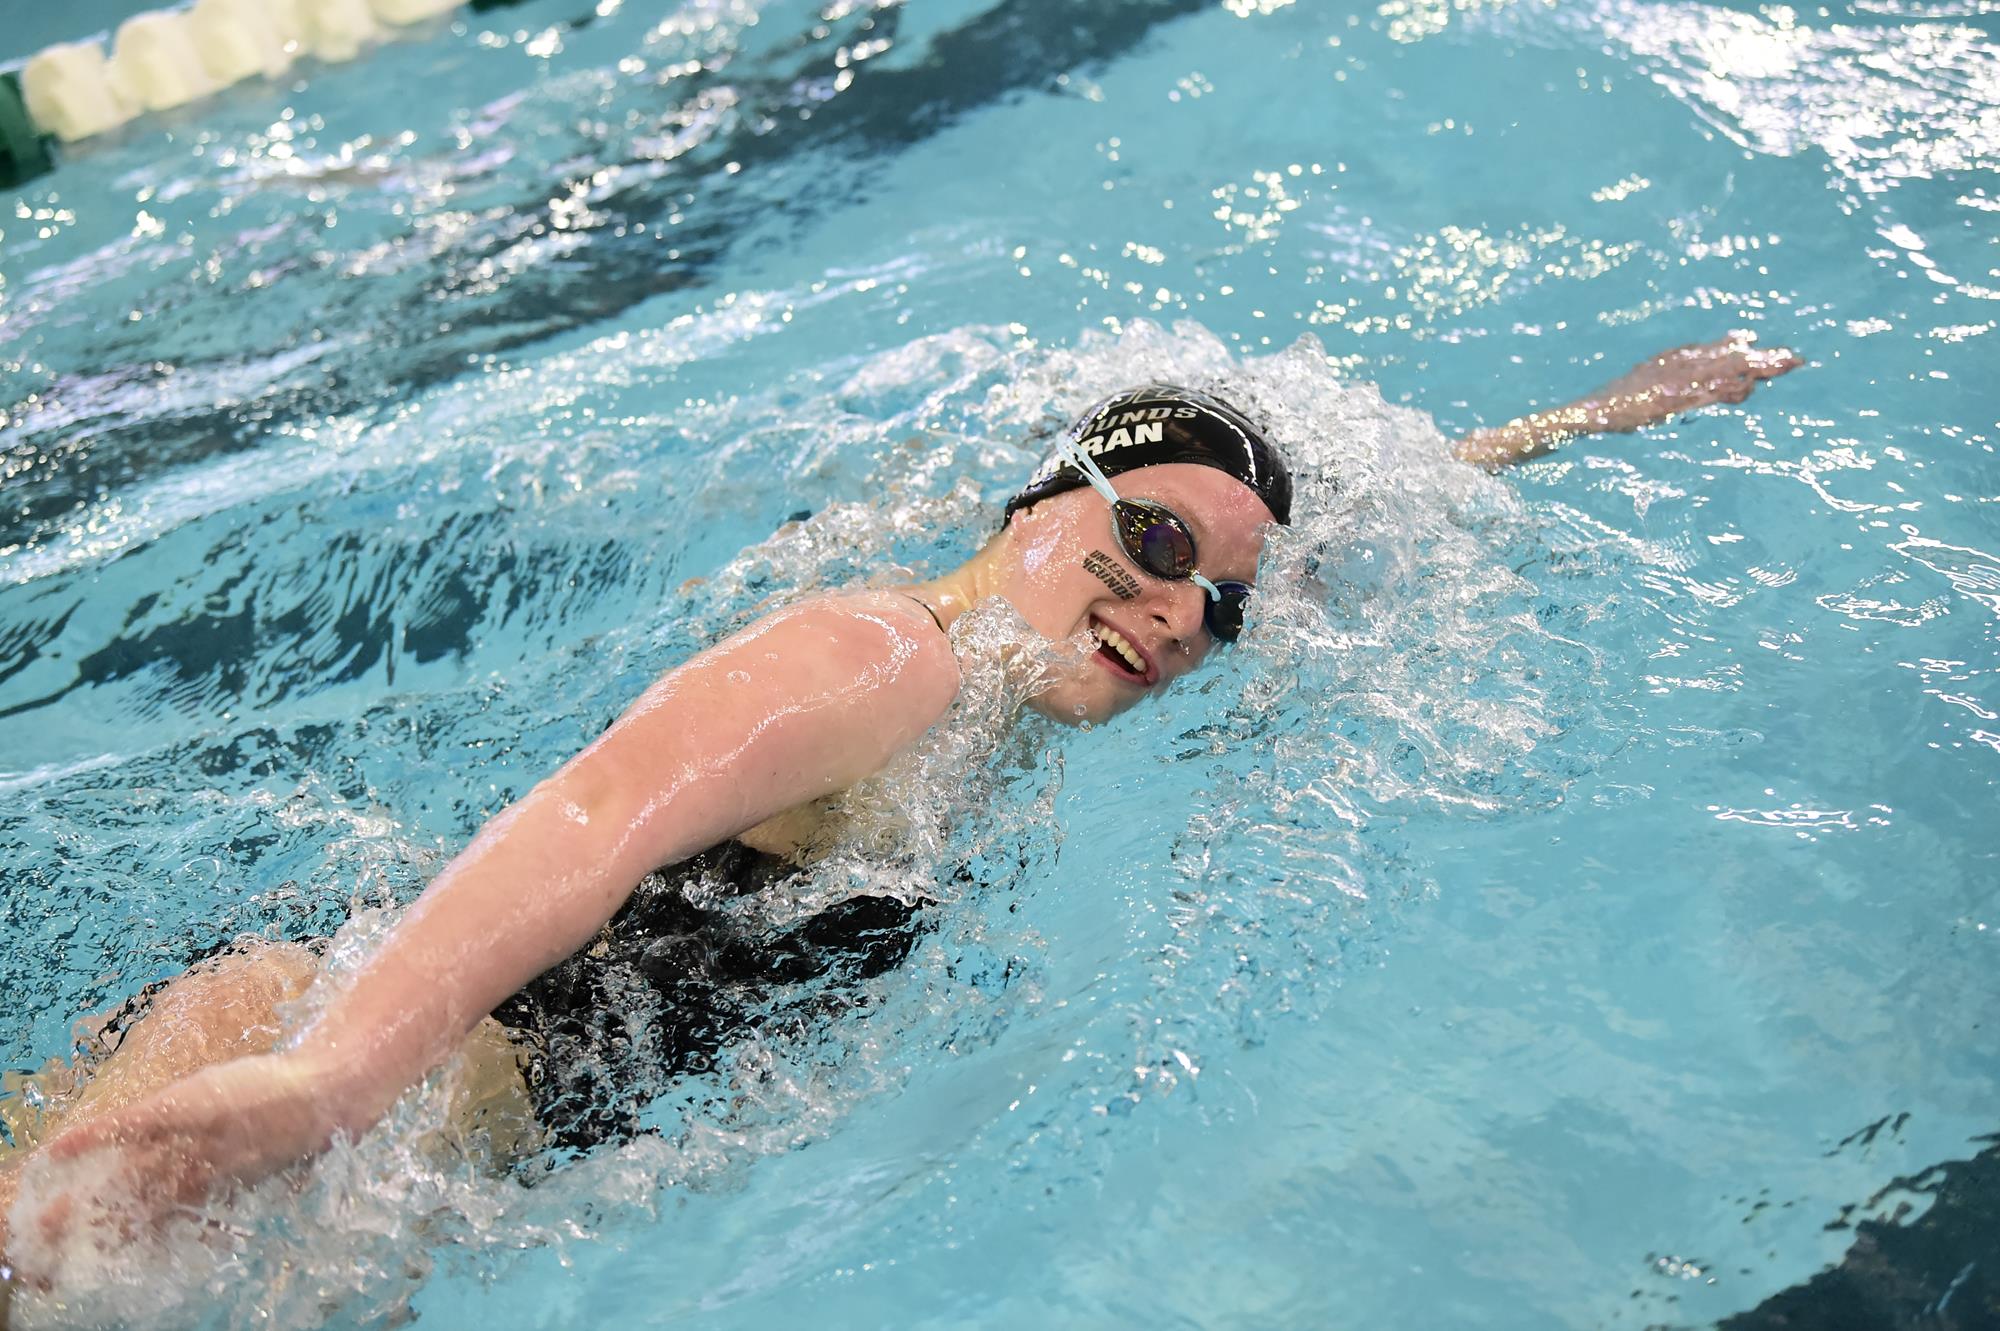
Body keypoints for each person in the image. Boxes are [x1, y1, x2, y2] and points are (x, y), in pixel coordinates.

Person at [0, 334, 1799, 1291]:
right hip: (321, 1098)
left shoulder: (999, 682)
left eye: (1219, 603)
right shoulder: (884, 657)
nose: (1180, 615)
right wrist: (326, 1086)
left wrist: (1599, 419)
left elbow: (1296, 517)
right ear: (1045, 504)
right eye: (1154, 546)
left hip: (414, 1160)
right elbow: (604, 808)